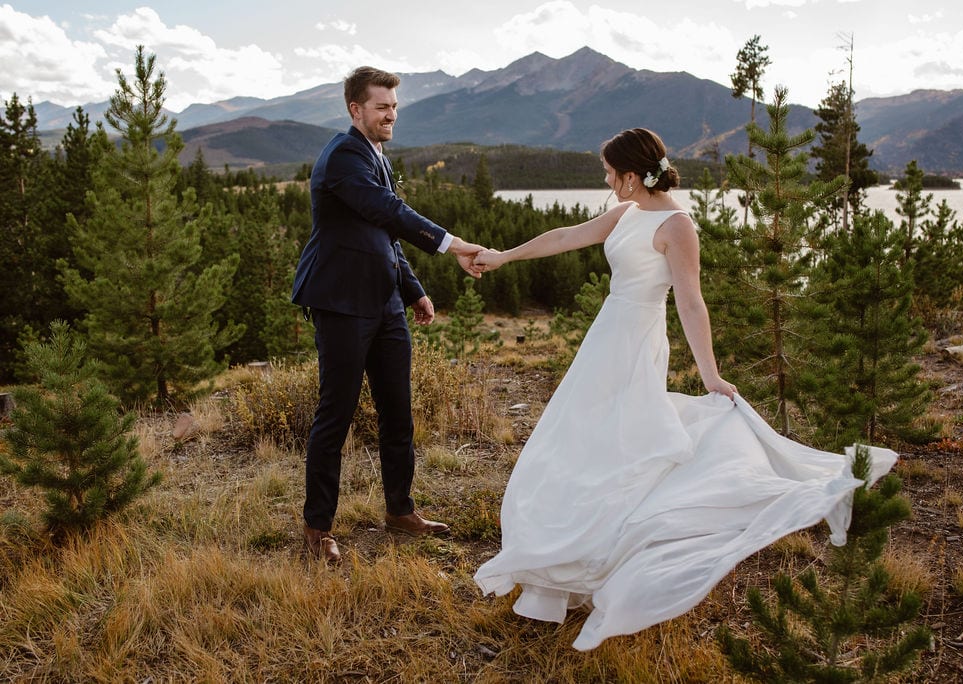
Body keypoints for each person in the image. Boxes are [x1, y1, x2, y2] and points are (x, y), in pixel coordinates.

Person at [471, 128, 897, 650]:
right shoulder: (626, 212)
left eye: (609, 172)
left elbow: (691, 302)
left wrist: (710, 375)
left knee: (622, 443)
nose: (605, 180)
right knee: (582, 439)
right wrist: (503, 256)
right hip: (606, 337)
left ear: (631, 177)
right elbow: (565, 236)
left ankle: (601, 556)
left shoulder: (677, 226)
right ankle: (561, 568)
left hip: (637, 340)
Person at [292, 66, 485, 563]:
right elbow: (388, 210)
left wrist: (413, 289)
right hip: (340, 302)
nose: (391, 115)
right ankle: (317, 528)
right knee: (335, 415)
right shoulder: (343, 156)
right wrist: (453, 244)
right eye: (382, 107)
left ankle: (401, 511)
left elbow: (384, 234)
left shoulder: (375, 153)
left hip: (385, 303)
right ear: (355, 109)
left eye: (395, 107)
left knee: (398, 410)